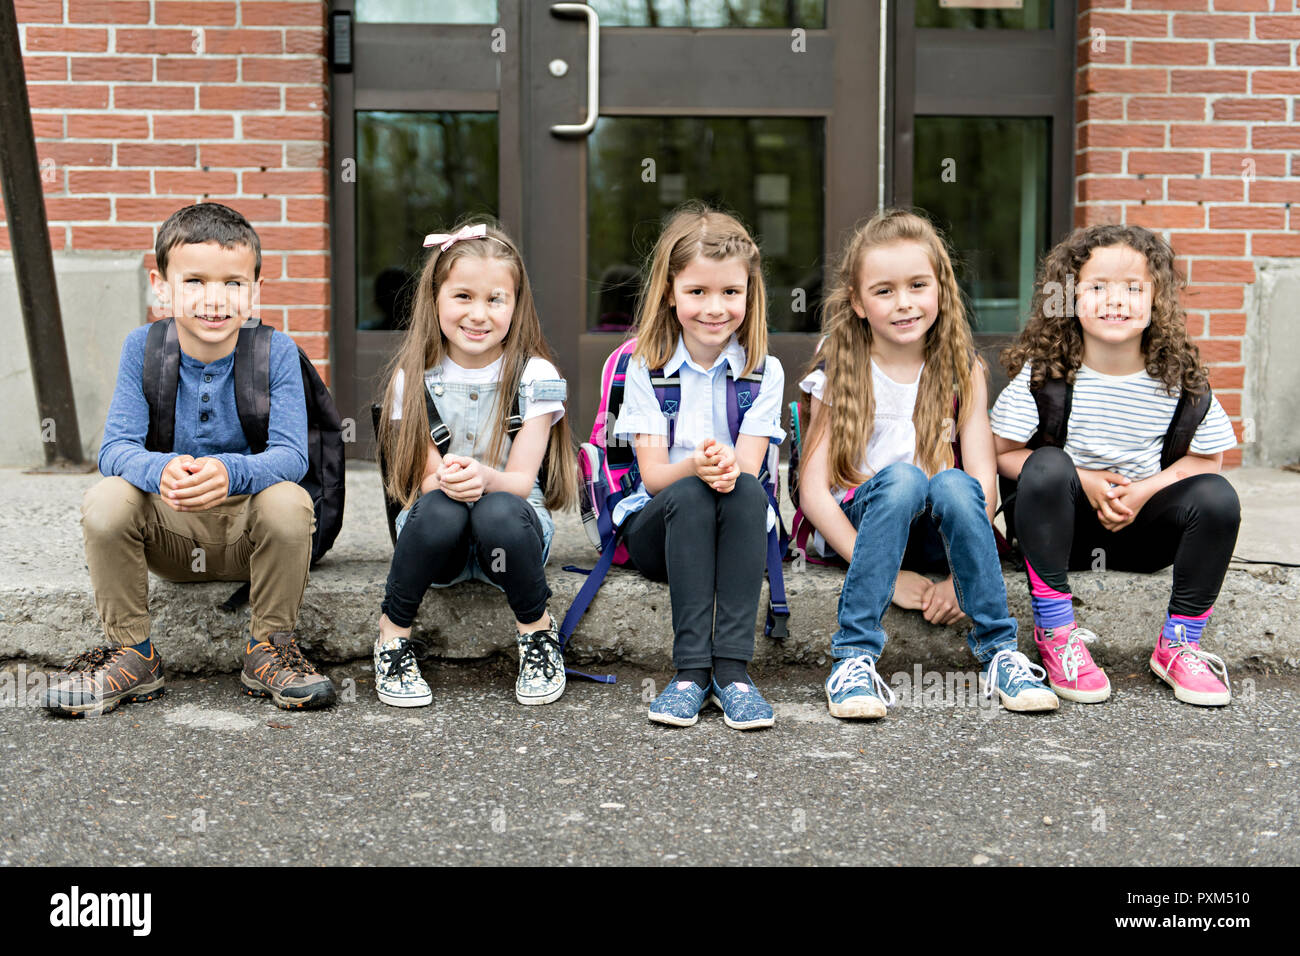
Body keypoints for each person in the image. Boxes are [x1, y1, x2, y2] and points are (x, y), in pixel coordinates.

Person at [47, 202, 332, 717]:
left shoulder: (277, 352)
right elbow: (114, 450)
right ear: (162, 287)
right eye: (195, 280)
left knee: (290, 501)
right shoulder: (142, 348)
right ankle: (132, 653)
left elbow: (292, 457)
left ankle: (270, 648)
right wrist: (159, 469)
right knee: (107, 498)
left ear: (256, 291)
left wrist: (232, 471)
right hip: (170, 535)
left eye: (233, 283)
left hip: (250, 538)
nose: (214, 299)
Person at [797, 209, 1059, 720]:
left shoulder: (963, 368)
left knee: (957, 485)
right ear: (857, 301)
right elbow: (812, 491)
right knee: (903, 479)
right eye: (884, 290)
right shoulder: (842, 366)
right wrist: (891, 576)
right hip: (866, 525)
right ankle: (853, 660)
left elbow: (983, 485)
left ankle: (1001, 652)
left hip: (937, 530)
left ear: (941, 287)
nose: (904, 304)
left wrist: (961, 577)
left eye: (918, 284)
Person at [992, 223, 1239, 706]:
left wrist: (1145, 489)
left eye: (1133, 288)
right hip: (1059, 536)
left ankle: (1179, 644)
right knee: (1046, 465)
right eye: (1098, 287)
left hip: (1143, 534)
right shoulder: (1045, 377)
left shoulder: (1178, 380)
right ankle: (1056, 633)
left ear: (1157, 298)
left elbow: (1209, 460)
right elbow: (1001, 454)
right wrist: (1082, 480)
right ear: (1069, 296)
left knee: (1217, 496)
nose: (1116, 300)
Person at [374, 221, 577, 707]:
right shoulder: (413, 377)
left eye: (496, 299)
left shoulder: (535, 376)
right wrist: (446, 480)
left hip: (511, 539)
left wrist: (484, 478)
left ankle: (537, 633)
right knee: (442, 508)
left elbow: (522, 480)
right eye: (462, 296)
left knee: (498, 509)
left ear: (516, 303)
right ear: (436, 299)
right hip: (439, 544)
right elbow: (422, 482)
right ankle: (391, 637)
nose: (478, 314)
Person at [613, 203, 785, 731]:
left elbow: (750, 473)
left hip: (732, 529)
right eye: (697, 292)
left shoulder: (765, 372)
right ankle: (690, 672)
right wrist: (695, 465)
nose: (715, 308)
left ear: (749, 294)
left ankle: (732, 672)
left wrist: (729, 464)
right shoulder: (645, 367)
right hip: (660, 532)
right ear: (670, 292)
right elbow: (653, 477)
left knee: (744, 494)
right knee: (688, 494)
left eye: (731, 292)